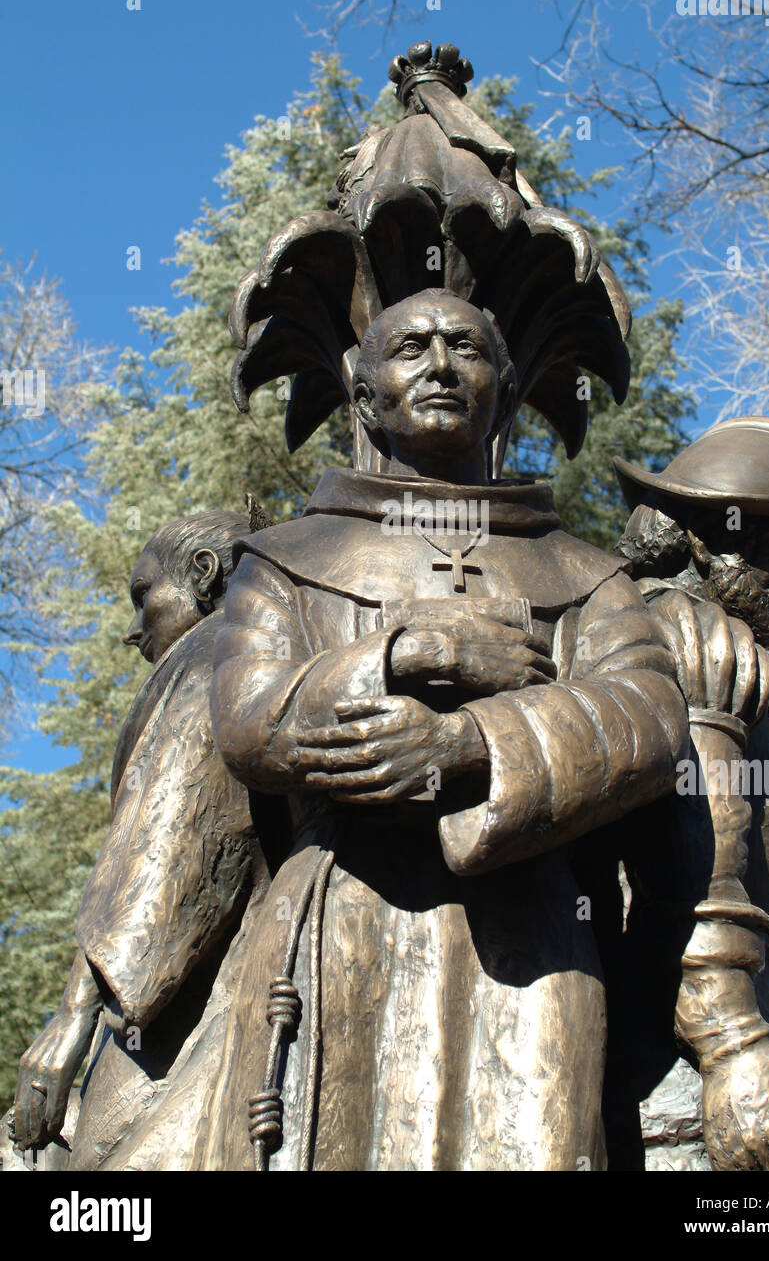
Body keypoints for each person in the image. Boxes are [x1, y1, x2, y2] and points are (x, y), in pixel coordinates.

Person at [200, 288, 697, 1171]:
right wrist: (406, 652)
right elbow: (246, 721)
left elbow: (652, 720)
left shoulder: (582, 574)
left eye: (464, 348)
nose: (438, 366)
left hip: (531, 936)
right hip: (336, 924)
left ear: (503, 390)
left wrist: (469, 746)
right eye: (411, 348)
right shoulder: (283, 561)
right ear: (365, 395)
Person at [605, 418, 769, 1170]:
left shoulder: (722, 647)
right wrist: (736, 1045)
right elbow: (698, 894)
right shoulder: (675, 631)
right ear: (699, 538)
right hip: (667, 1100)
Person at [11, 509, 266, 1171]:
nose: (131, 631)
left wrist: (74, 1016)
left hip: (188, 1010)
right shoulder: (262, 658)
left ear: (203, 575)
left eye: (142, 595)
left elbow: (167, 840)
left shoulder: (211, 655)